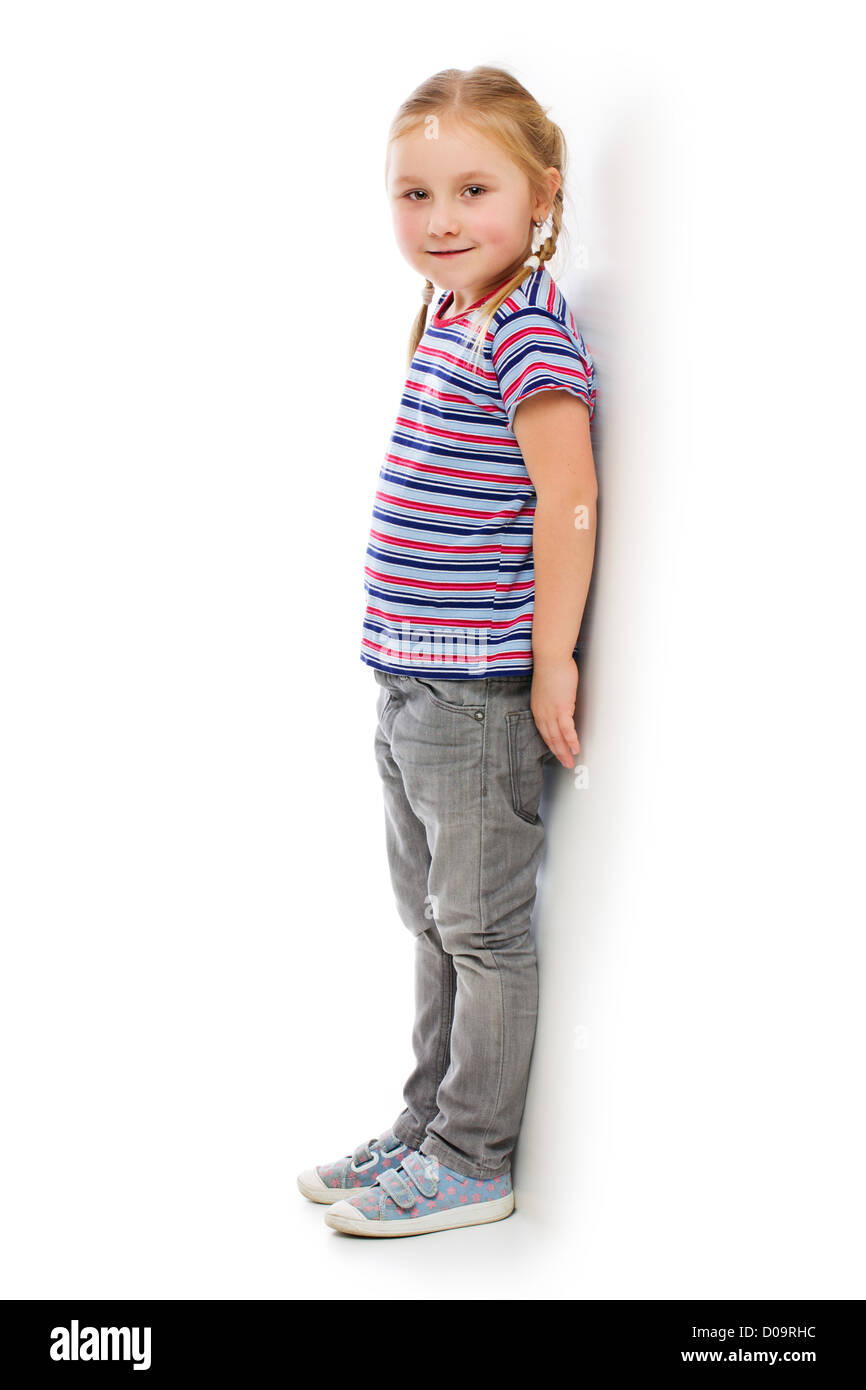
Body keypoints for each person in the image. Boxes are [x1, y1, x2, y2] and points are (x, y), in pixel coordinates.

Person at [297, 65, 598, 1238]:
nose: (438, 220)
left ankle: (475, 1155)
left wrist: (555, 657)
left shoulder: (526, 328)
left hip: (474, 687)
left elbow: (567, 494)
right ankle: (428, 1117)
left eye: (471, 189)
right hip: (408, 678)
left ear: (540, 197)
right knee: (428, 917)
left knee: (480, 925)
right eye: (413, 194)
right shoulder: (452, 310)